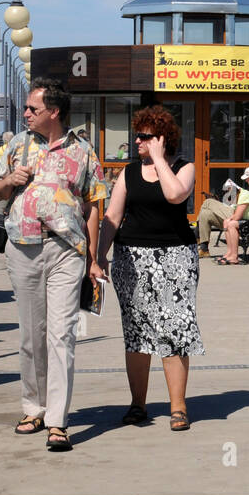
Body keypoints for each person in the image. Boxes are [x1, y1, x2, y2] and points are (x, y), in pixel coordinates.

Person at [0, 78, 106, 453]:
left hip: (65, 250)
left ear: (53, 112)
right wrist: (10, 179)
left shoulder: (84, 151)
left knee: (61, 336)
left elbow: (92, 206)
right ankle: (32, 407)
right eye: (26, 109)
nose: (25, 114)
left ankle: (58, 420)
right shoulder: (16, 145)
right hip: (22, 247)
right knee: (31, 335)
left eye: (32, 109)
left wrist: (93, 258)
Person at [95, 106, 201, 430]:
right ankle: (138, 404)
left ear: (161, 138)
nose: (137, 140)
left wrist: (159, 160)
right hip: (131, 259)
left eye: (145, 136)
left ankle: (178, 408)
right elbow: (112, 217)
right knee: (137, 334)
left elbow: (174, 195)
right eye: (137, 134)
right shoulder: (128, 172)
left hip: (176, 257)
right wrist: (99, 256)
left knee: (174, 330)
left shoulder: (184, 168)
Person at [194, 165, 249, 258]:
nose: (246, 181)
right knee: (206, 214)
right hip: (239, 213)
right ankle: (204, 249)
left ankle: (196, 236)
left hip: (242, 217)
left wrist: (240, 193)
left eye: (248, 179)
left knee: (208, 202)